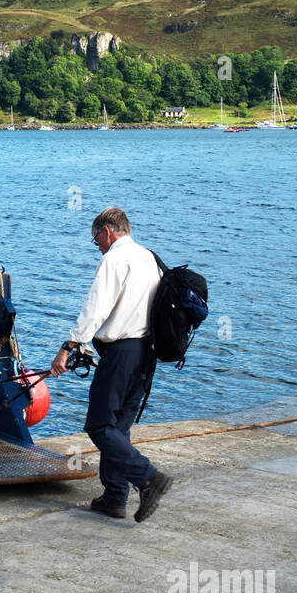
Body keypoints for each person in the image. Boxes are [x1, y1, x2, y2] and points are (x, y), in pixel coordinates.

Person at [49, 206, 173, 523]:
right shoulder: (151, 258)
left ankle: (149, 477)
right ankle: (115, 497)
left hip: (122, 352)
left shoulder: (115, 259)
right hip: (148, 352)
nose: (99, 248)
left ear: (107, 232)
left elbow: (95, 309)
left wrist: (68, 347)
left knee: (100, 425)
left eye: (97, 241)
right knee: (119, 426)